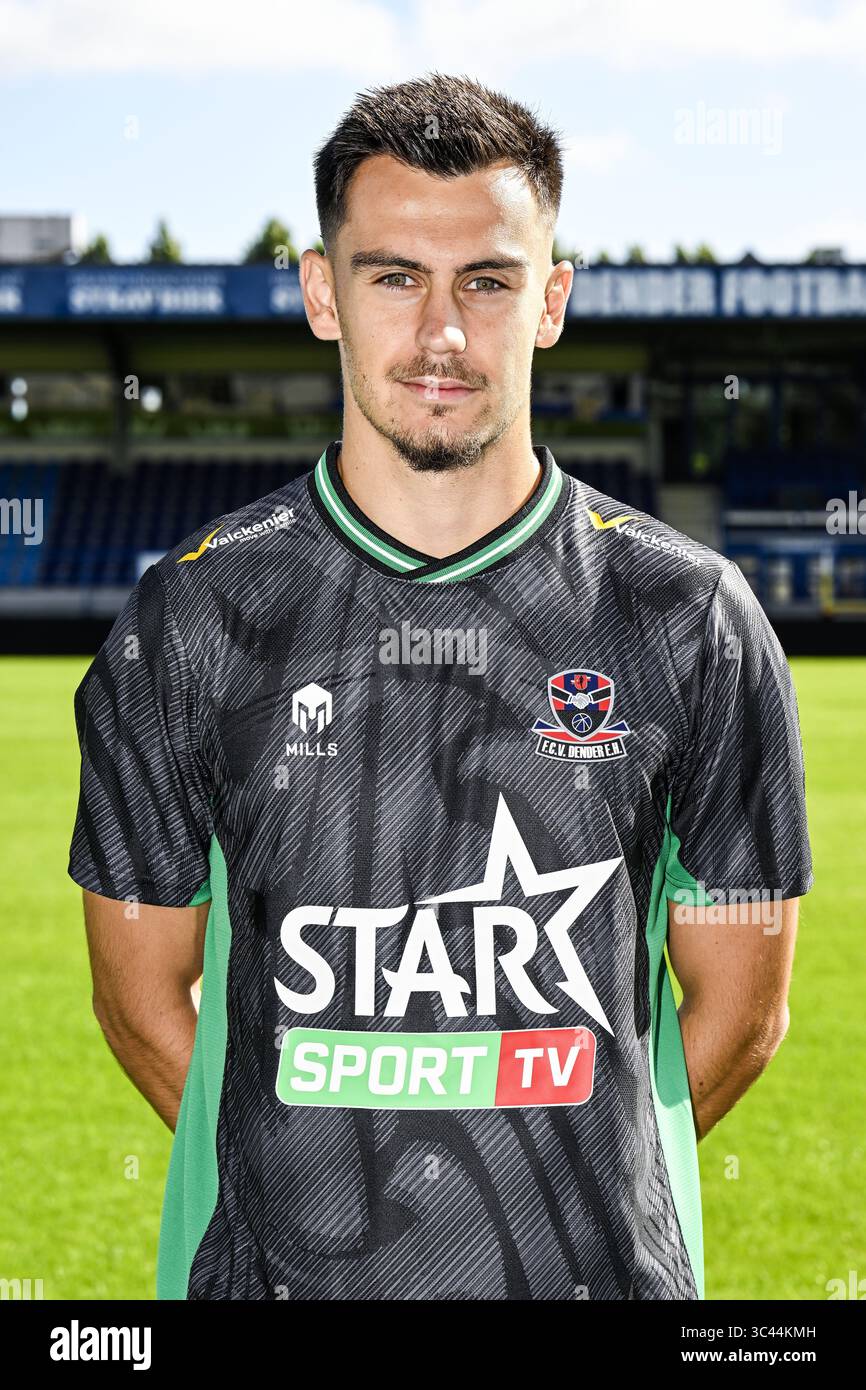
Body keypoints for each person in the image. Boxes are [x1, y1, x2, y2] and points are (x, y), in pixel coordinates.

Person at [68, 71, 813, 1301]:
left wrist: (547, 1193)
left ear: (550, 300)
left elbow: (737, 1013)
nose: (441, 336)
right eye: (391, 276)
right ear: (323, 294)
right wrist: (318, 1207)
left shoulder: (691, 618)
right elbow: (142, 1000)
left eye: (487, 279)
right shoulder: (188, 619)